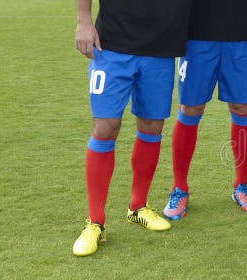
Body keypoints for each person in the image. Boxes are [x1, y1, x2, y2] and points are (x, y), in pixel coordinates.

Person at [72, 0, 193, 256]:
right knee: (105, 127)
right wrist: (83, 21)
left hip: (160, 47)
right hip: (111, 44)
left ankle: (138, 207)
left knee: (152, 125)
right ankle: (95, 221)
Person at [162, 0, 247, 221]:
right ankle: (179, 188)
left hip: (243, 28)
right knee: (191, 107)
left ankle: (242, 185)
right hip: (199, 29)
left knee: (241, 106)